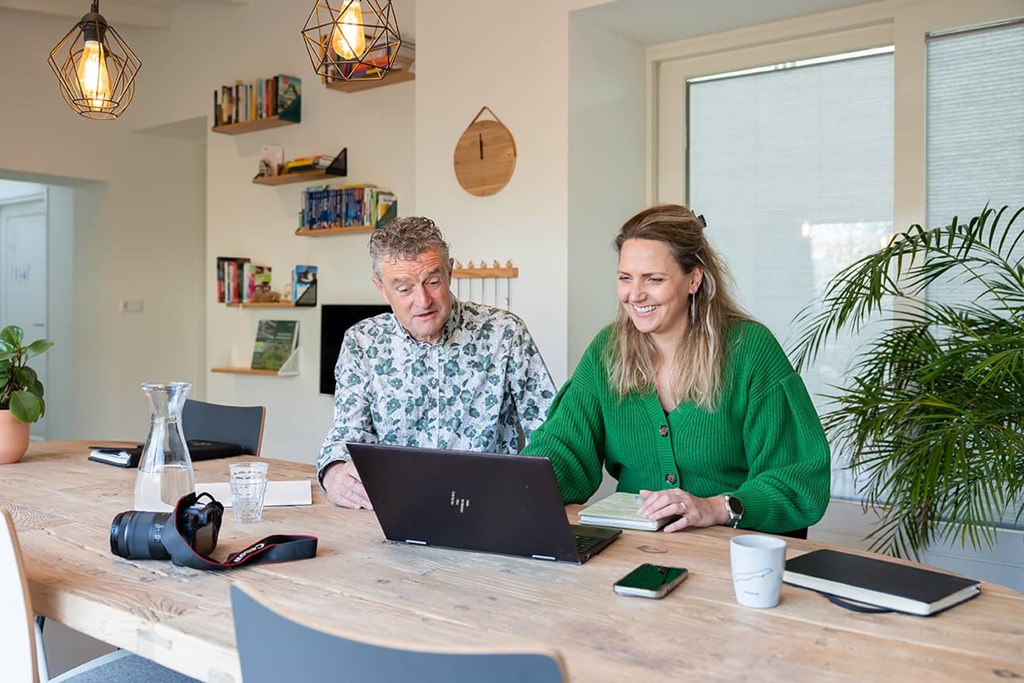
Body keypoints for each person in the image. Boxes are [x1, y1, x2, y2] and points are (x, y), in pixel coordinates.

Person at [522, 205, 830, 535]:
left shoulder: (749, 350)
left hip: (734, 550)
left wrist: (716, 507)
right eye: (625, 278)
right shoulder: (606, 351)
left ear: (693, 279)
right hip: (634, 546)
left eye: (653, 279)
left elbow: (797, 479)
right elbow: (561, 447)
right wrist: (515, 485)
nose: (635, 295)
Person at [317, 216, 557, 508]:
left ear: (450, 271)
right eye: (404, 288)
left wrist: (527, 492)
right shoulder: (362, 342)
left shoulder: (504, 333)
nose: (423, 300)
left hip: (488, 506)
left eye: (432, 281)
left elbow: (549, 429)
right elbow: (348, 433)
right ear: (380, 288)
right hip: (394, 509)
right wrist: (333, 473)